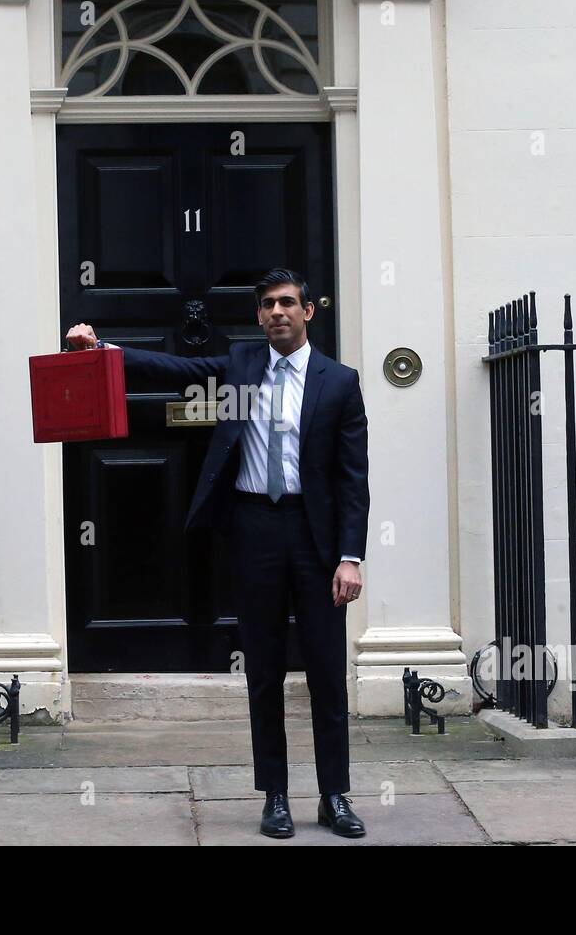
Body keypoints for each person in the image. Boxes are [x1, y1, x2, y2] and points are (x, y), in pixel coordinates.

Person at [65, 267, 369, 839]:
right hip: (255, 527)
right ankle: (274, 796)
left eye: (286, 303)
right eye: (267, 305)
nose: (276, 312)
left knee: (328, 670)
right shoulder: (241, 366)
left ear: (308, 312)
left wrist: (349, 556)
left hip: (315, 537)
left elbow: (353, 478)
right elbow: (174, 369)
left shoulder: (340, 382)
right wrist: (103, 350)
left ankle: (335, 794)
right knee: (264, 670)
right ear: (257, 316)